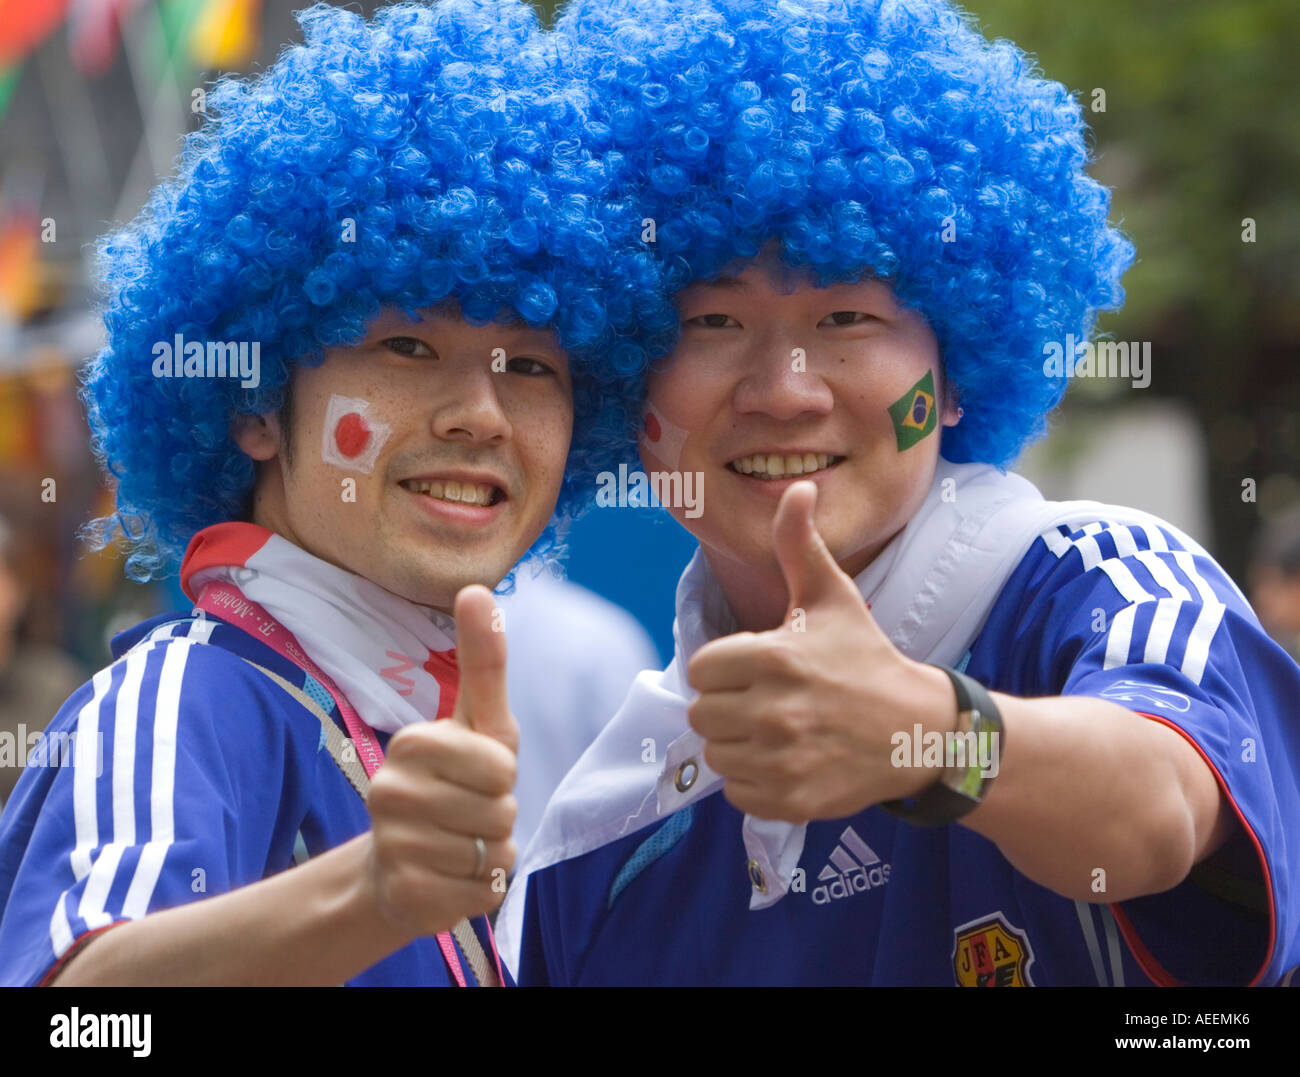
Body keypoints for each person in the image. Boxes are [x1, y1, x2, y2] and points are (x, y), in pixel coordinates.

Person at [498, 0, 1300, 986]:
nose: (785, 390)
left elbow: (1165, 811)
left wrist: (929, 739)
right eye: (711, 322)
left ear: (955, 371)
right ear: (623, 376)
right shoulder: (595, 841)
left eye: (848, 315)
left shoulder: (1101, 585)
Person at [0, 0, 666, 986]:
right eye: (408, 345)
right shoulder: (187, 696)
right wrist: (373, 896)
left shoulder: (382, 732)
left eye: (530, 366)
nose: (480, 415)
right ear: (257, 408)